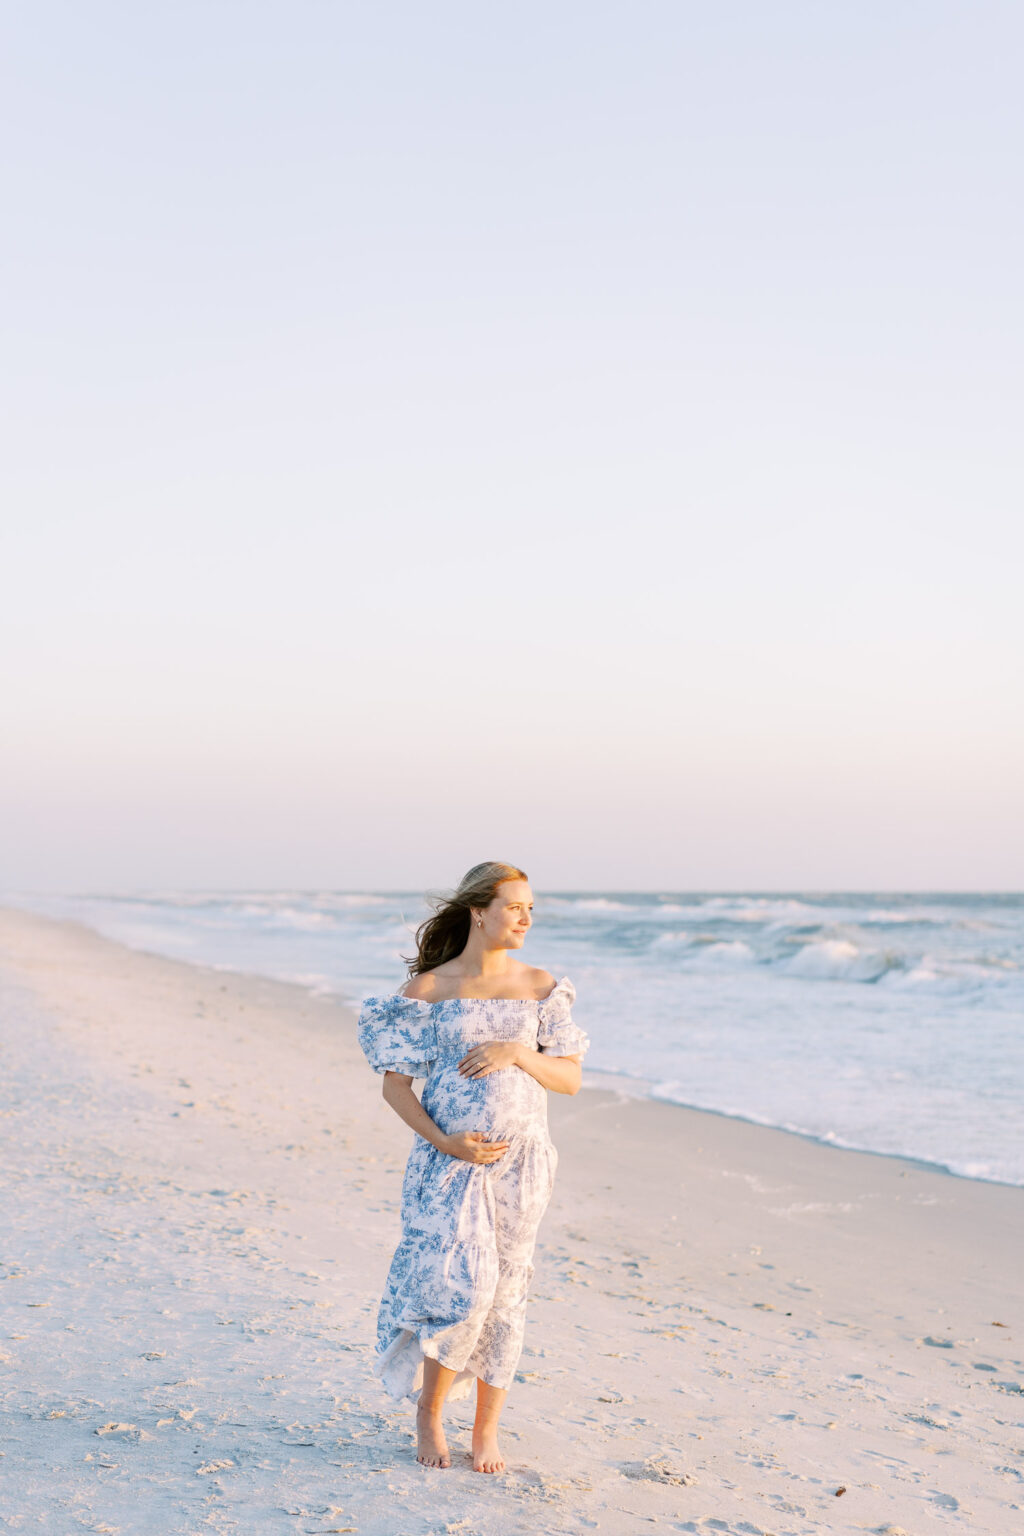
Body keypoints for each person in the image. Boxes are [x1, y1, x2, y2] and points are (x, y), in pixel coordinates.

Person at [356, 860, 589, 1473]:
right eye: (515, 907)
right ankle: (428, 1416)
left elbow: (568, 1079)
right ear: (478, 911)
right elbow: (396, 1088)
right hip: (448, 1165)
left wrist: (519, 1053)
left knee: (506, 1296)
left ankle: (486, 1430)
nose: (526, 918)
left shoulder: (542, 987)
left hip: (524, 1166)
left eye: (531, 908)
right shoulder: (428, 991)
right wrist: (446, 1141)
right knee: (461, 1289)